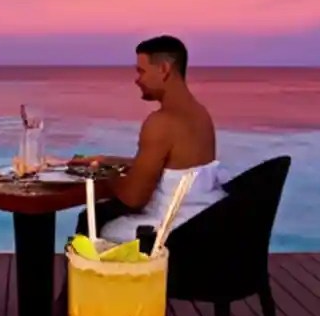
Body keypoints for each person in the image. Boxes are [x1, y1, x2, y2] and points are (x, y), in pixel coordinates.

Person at [73, 35, 230, 244]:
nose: (137, 79)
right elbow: (173, 168)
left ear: (164, 69)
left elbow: (134, 198)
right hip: (202, 221)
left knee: (92, 218)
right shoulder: (200, 114)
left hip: (170, 232)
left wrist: (103, 177)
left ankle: (89, 276)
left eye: (141, 71)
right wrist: (105, 160)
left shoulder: (161, 122)